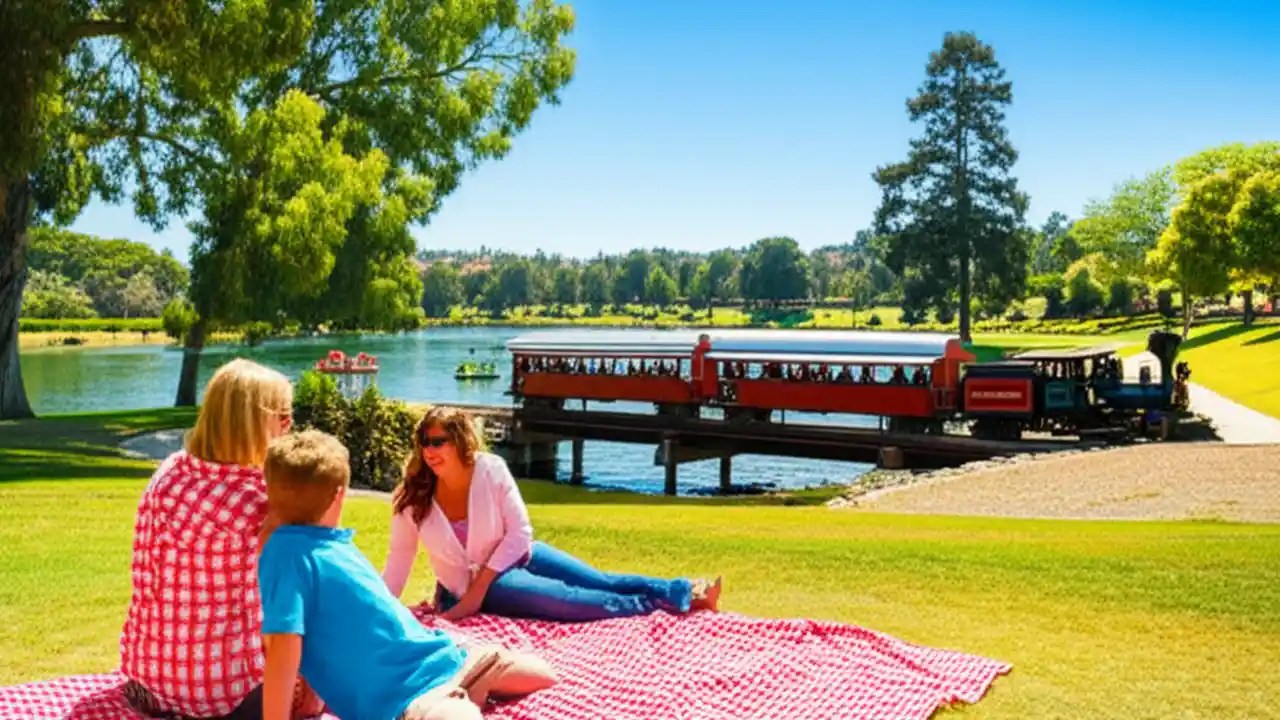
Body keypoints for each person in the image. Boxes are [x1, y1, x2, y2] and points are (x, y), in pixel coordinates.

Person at [259, 431, 556, 720]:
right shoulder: (289, 556)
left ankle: (471, 686)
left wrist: (311, 699)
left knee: (541, 676)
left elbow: (310, 636)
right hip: (404, 697)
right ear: (339, 496)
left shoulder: (328, 546)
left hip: (440, 659)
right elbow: (285, 649)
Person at [382, 406, 722, 623]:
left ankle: (683, 591)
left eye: (438, 441)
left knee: (599, 580)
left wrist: (477, 593)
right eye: (424, 442)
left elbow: (520, 532)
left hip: (519, 556)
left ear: (460, 442)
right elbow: (399, 560)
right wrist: (378, 611)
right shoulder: (412, 498)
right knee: (569, 601)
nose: (429, 450)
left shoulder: (490, 469)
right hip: (480, 586)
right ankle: (661, 607)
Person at [119, 358, 319, 719]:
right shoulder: (258, 502)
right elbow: (297, 607)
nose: (290, 425)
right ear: (255, 423)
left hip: (146, 680)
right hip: (221, 695)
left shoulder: (169, 472)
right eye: (283, 416)